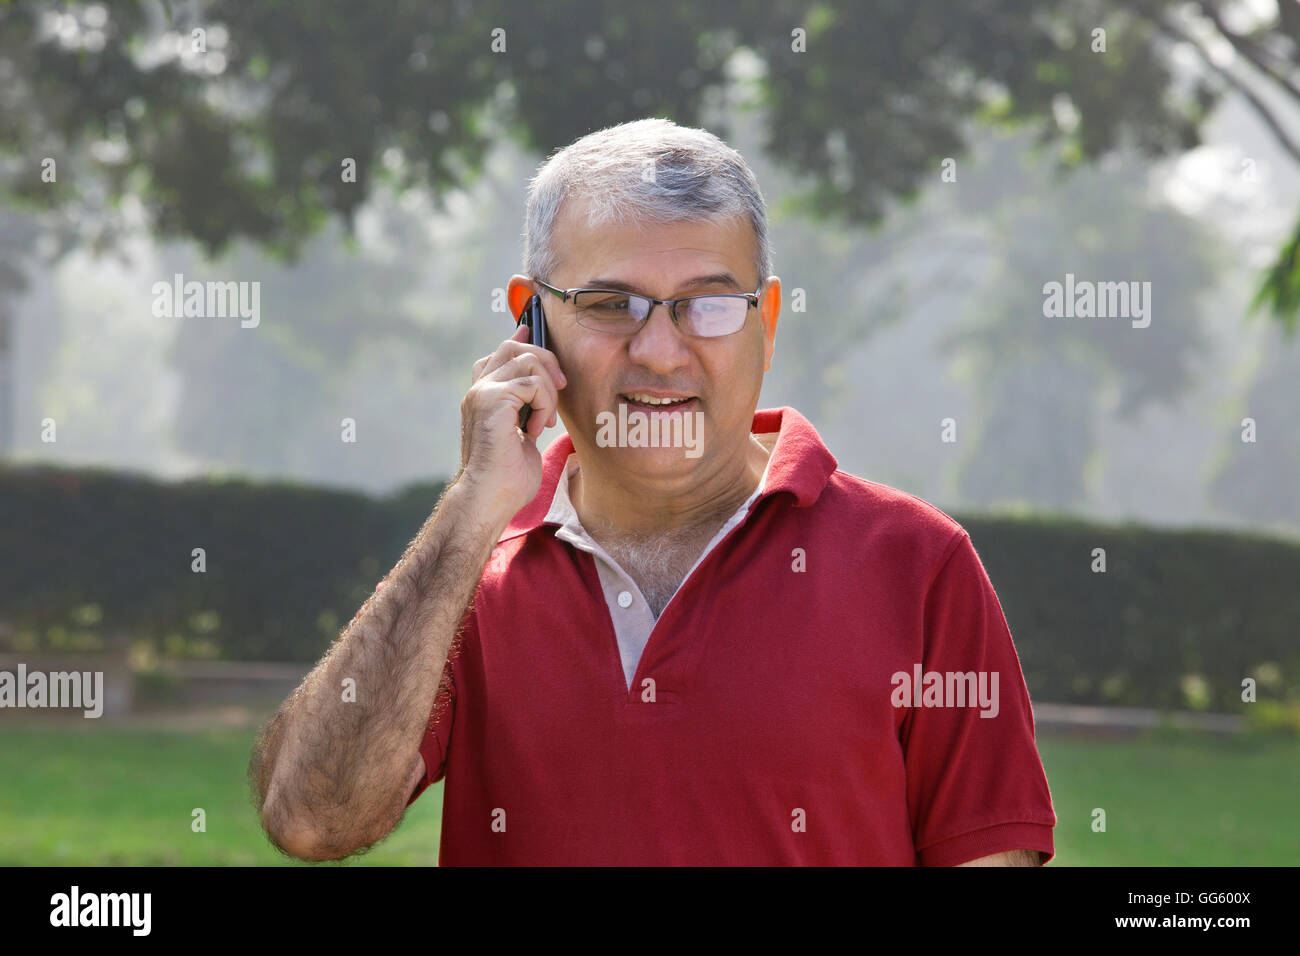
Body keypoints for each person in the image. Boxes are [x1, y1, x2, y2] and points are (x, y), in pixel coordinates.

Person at [250, 117, 1056, 865]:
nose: (661, 351)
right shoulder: (470, 569)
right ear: (530, 323)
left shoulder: (918, 565)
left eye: (708, 306)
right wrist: (469, 506)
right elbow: (314, 819)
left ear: (766, 325)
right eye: (610, 305)